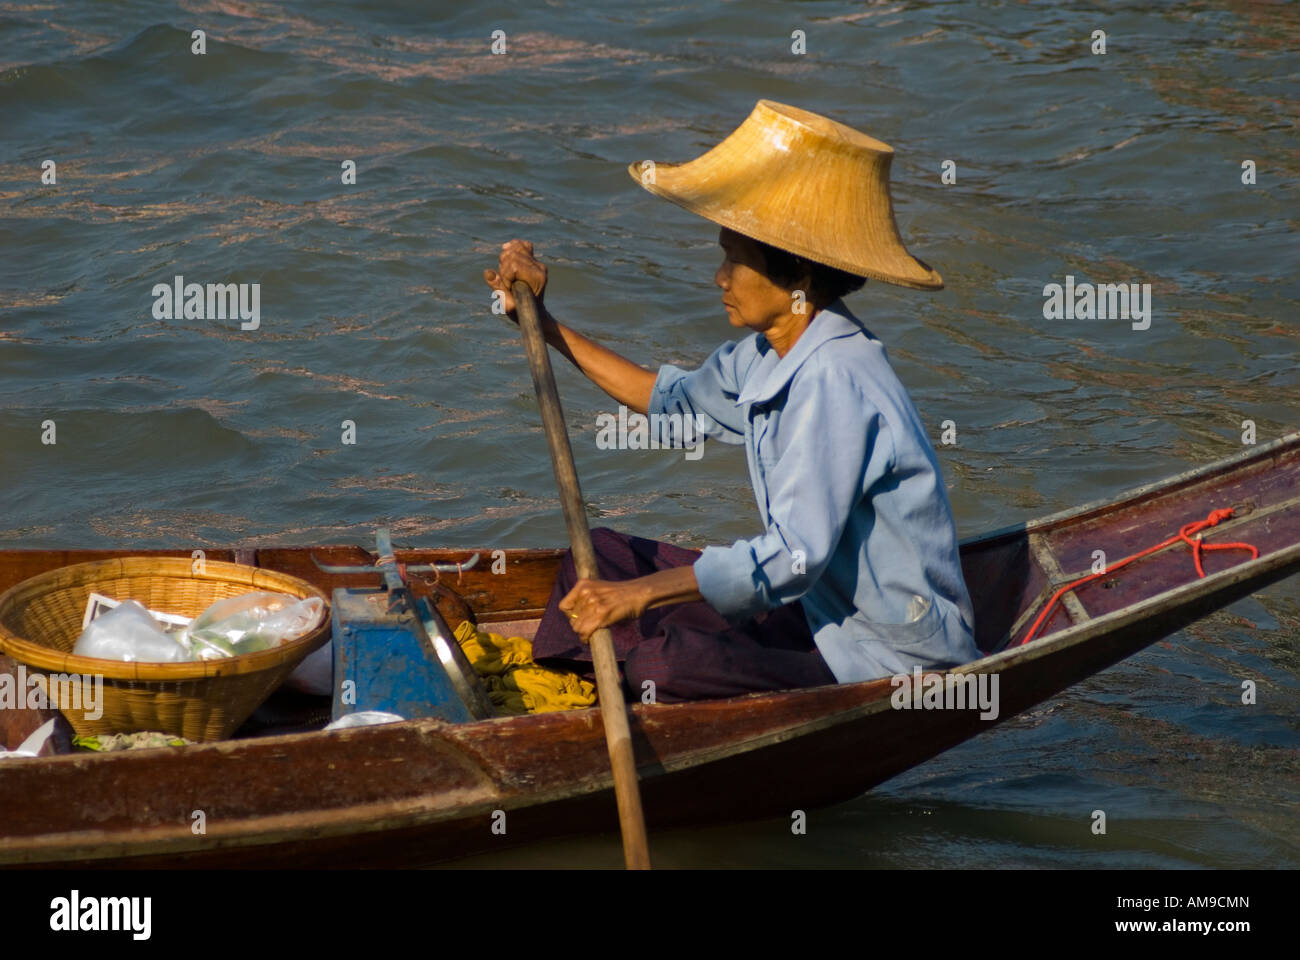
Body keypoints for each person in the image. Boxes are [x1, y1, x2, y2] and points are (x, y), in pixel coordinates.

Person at [482, 99, 980, 702]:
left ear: (796, 279)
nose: (719, 278)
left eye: (733, 261)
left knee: (663, 667)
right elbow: (669, 403)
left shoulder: (834, 379)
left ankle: (624, 688)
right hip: (814, 608)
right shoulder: (769, 351)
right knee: (601, 558)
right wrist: (545, 323)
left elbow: (792, 558)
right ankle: (574, 699)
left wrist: (641, 595)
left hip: (880, 651)